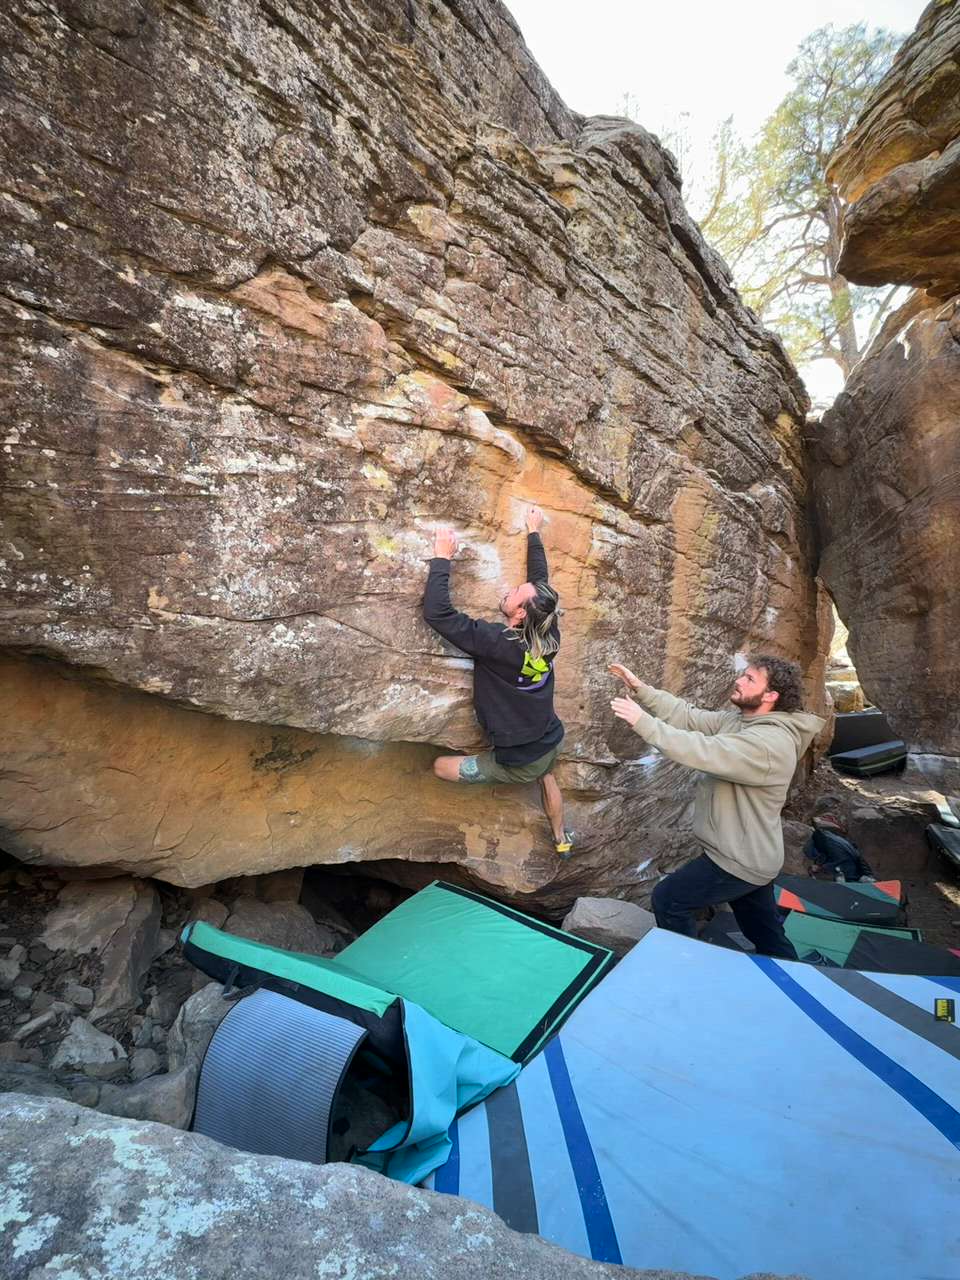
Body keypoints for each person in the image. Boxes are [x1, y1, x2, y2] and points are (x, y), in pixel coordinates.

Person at [609, 656, 825, 959]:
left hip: (738, 860)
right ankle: (792, 981)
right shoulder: (740, 721)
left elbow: (703, 750)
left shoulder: (769, 745)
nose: (739, 680)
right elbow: (690, 717)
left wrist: (642, 722)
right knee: (765, 933)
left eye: (750, 679)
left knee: (669, 900)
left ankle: (690, 974)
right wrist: (641, 690)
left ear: (771, 696)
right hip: (752, 855)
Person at [423, 506, 573, 856]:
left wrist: (442, 558)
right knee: (546, 773)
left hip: (517, 759)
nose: (508, 591)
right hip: (550, 738)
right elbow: (541, 584)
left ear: (520, 614)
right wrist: (533, 533)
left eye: (514, 594)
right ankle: (561, 838)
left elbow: (439, 614)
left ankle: (555, 824)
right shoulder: (549, 632)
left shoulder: (497, 643)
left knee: (440, 767)